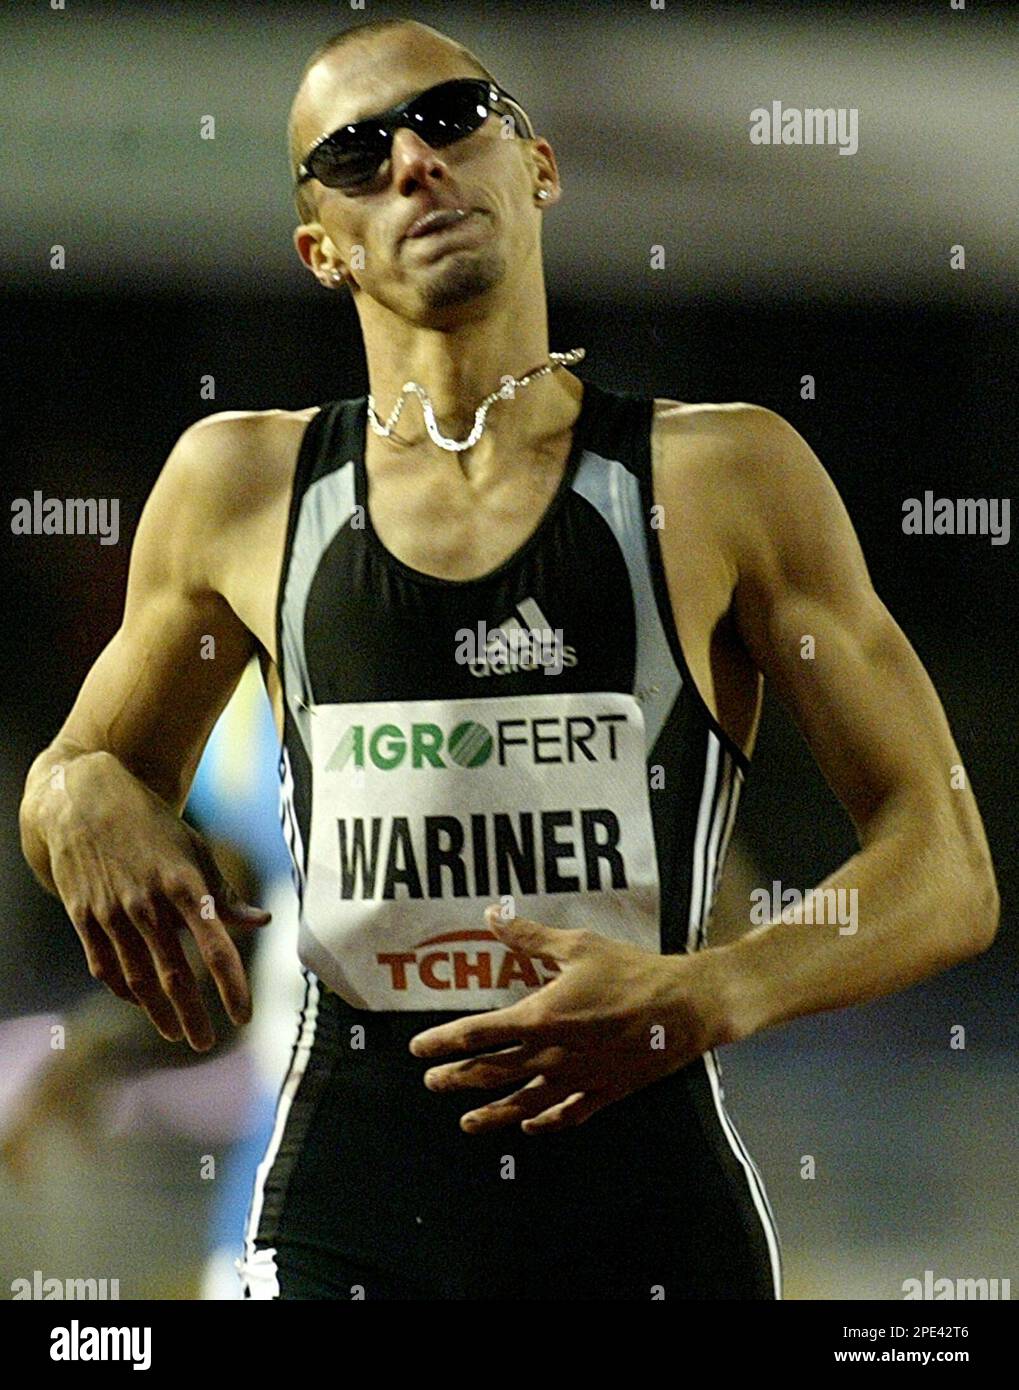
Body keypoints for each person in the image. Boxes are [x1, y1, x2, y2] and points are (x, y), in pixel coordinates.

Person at [19, 18, 998, 1300]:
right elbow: (81, 777)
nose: (415, 161)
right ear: (320, 250)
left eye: (451, 114)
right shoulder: (240, 485)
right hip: (343, 1225)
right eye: (357, 154)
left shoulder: (721, 477)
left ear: (535, 163)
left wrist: (702, 995)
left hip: (648, 1230)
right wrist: (75, 792)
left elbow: (946, 864)